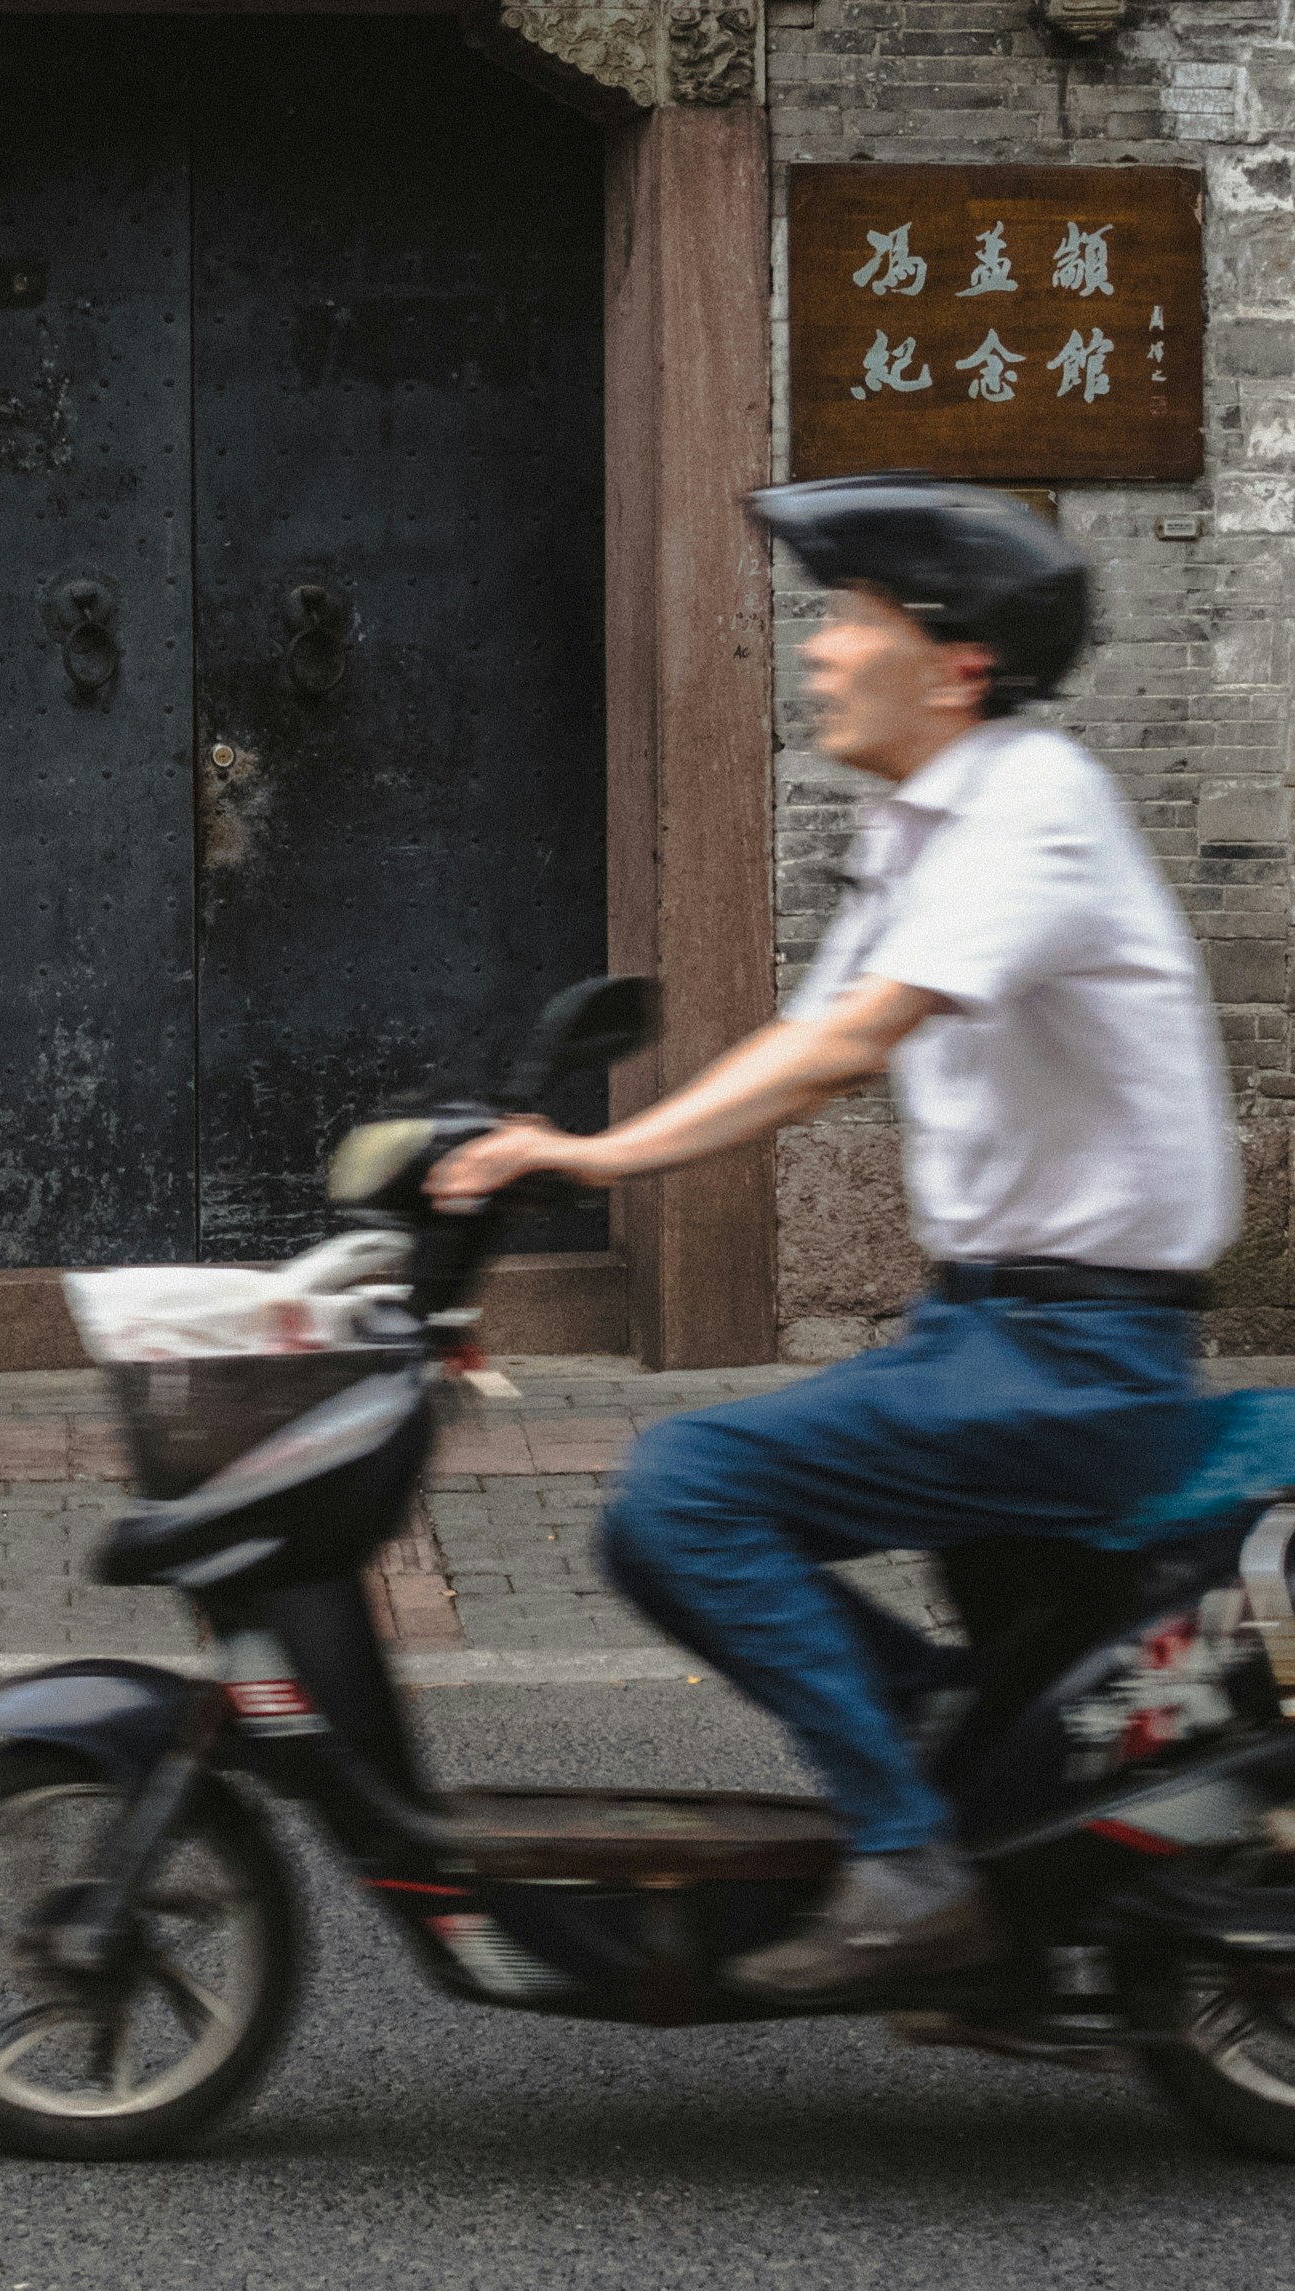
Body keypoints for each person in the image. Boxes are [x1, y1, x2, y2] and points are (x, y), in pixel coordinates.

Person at [427, 472, 1232, 2007]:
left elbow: (851, 1044)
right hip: (988, 1325)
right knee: (777, 1543)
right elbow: (800, 1041)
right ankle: (954, 1780)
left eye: (852, 618)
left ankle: (910, 1852)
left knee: (683, 1490)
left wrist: (593, 1155)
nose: (816, 651)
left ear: (958, 663)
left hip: (1079, 1352)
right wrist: (565, 1166)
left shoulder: (1033, 801)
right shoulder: (918, 830)